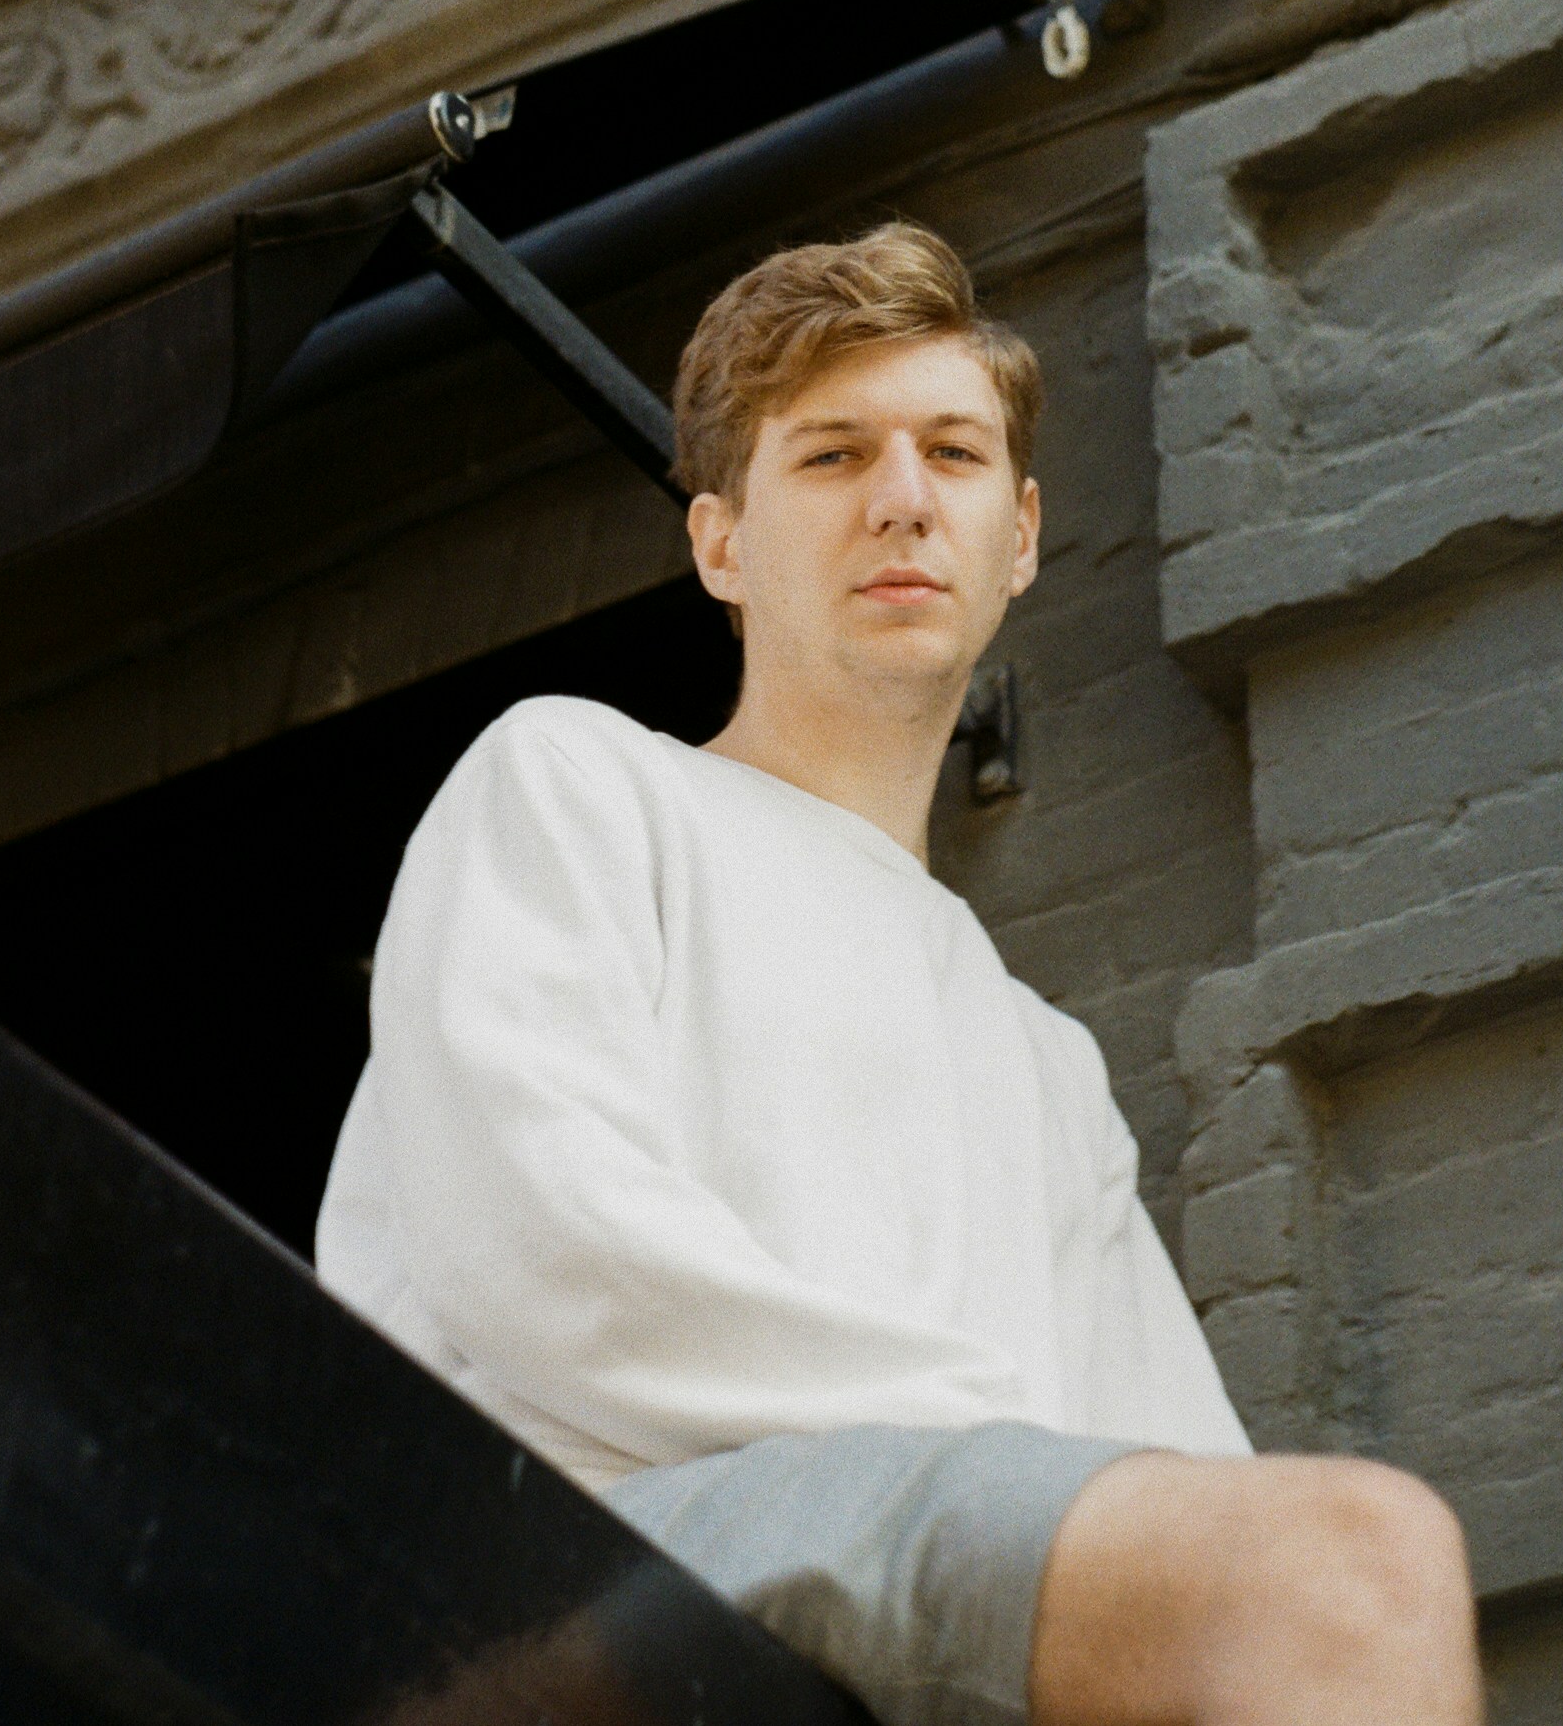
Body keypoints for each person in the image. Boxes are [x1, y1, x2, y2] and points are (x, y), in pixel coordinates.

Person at [317, 223, 1482, 1726]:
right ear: (719, 540)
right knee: (1357, 1561)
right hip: (599, 1554)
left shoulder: (1042, 1058)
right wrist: (997, 1447)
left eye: (952, 450)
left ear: (1023, 534)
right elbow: (548, 1261)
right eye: (832, 456)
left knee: (1297, 1585)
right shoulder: (574, 782)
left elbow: (1176, 1473)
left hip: (905, 1573)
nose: (903, 500)